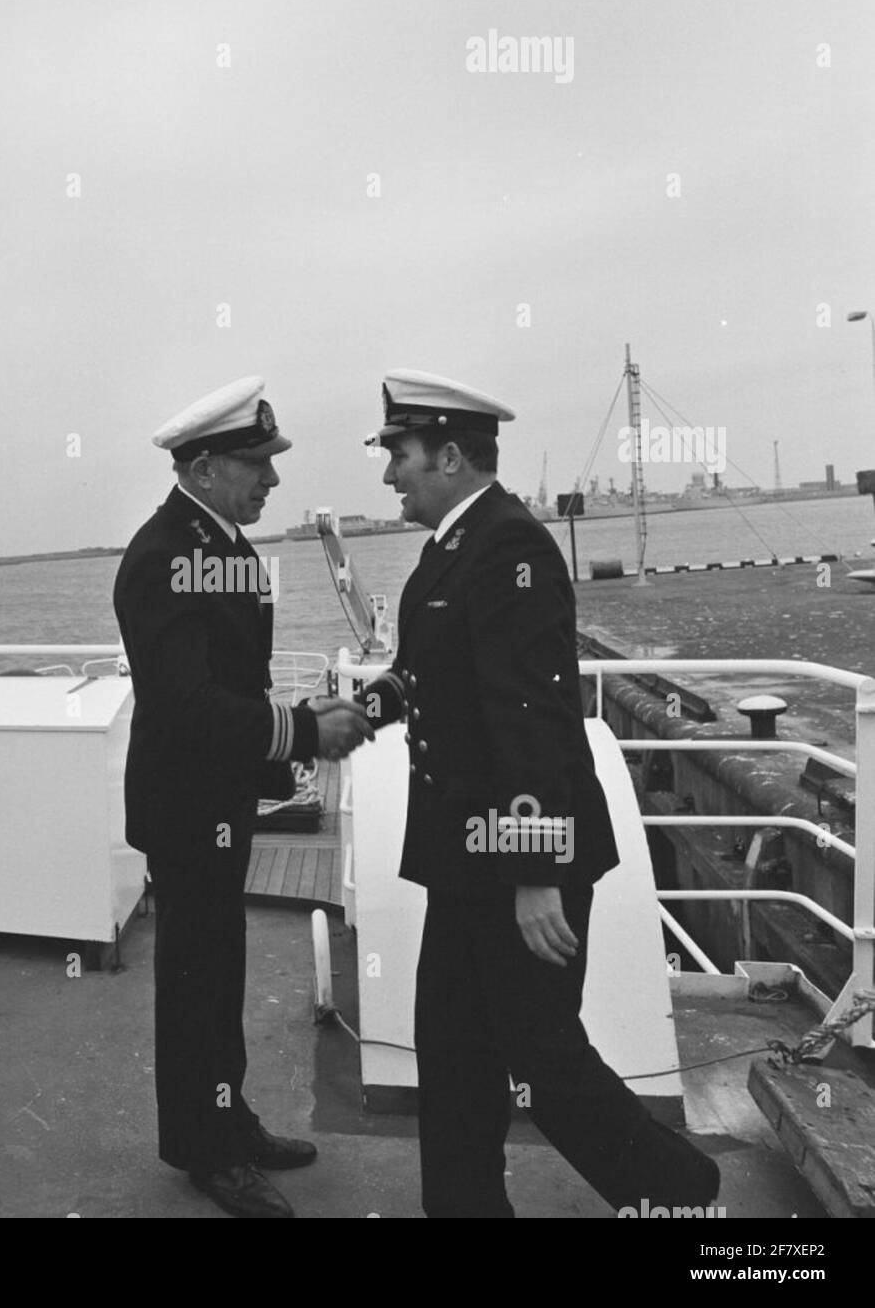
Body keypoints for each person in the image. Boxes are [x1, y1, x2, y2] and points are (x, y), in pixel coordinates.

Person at [358, 369, 719, 1218]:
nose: (389, 476)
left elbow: (531, 719)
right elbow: (428, 676)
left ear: (449, 454)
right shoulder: (453, 546)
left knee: (542, 1058)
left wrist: (533, 872)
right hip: (463, 853)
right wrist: (352, 711)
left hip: (520, 857)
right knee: (452, 1051)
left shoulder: (508, 547)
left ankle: (680, 1195)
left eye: (399, 455)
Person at [113, 375, 372, 1218]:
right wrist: (300, 733)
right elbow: (186, 704)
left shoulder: (227, 549)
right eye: (256, 463)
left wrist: (272, 764)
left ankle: (230, 1118)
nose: (271, 479)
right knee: (196, 980)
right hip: (185, 809)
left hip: (218, 800)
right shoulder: (162, 559)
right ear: (204, 466)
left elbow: (240, 679)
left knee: (219, 971)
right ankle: (204, 1152)